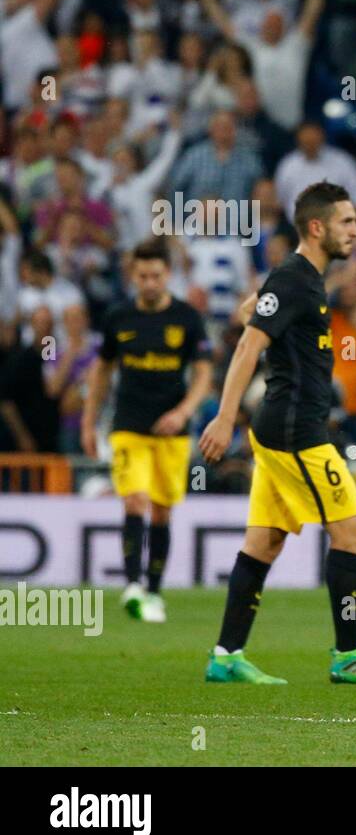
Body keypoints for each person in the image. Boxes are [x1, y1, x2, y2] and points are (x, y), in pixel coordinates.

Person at [198, 182, 356, 685]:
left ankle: (226, 656)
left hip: (281, 430)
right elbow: (248, 345)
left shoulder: (302, 279)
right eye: (347, 223)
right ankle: (349, 654)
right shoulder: (296, 279)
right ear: (317, 228)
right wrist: (225, 417)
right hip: (297, 433)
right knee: (352, 531)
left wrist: (257, 305)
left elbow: (251, 309)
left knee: (264, 541)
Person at [80, 240, 213, 623]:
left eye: (156, 275)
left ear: (168, 275)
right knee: (135, 500)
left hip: (173, 430)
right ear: (132, 276)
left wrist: (184, 411)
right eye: (143, 276)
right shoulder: (118, 317)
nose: (150, 283)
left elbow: (204, 372)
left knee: (162, 510)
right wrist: (90, 423)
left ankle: (154, 591)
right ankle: (133, 585)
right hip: (129, 426)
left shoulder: (187, 317)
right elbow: (102, 371)